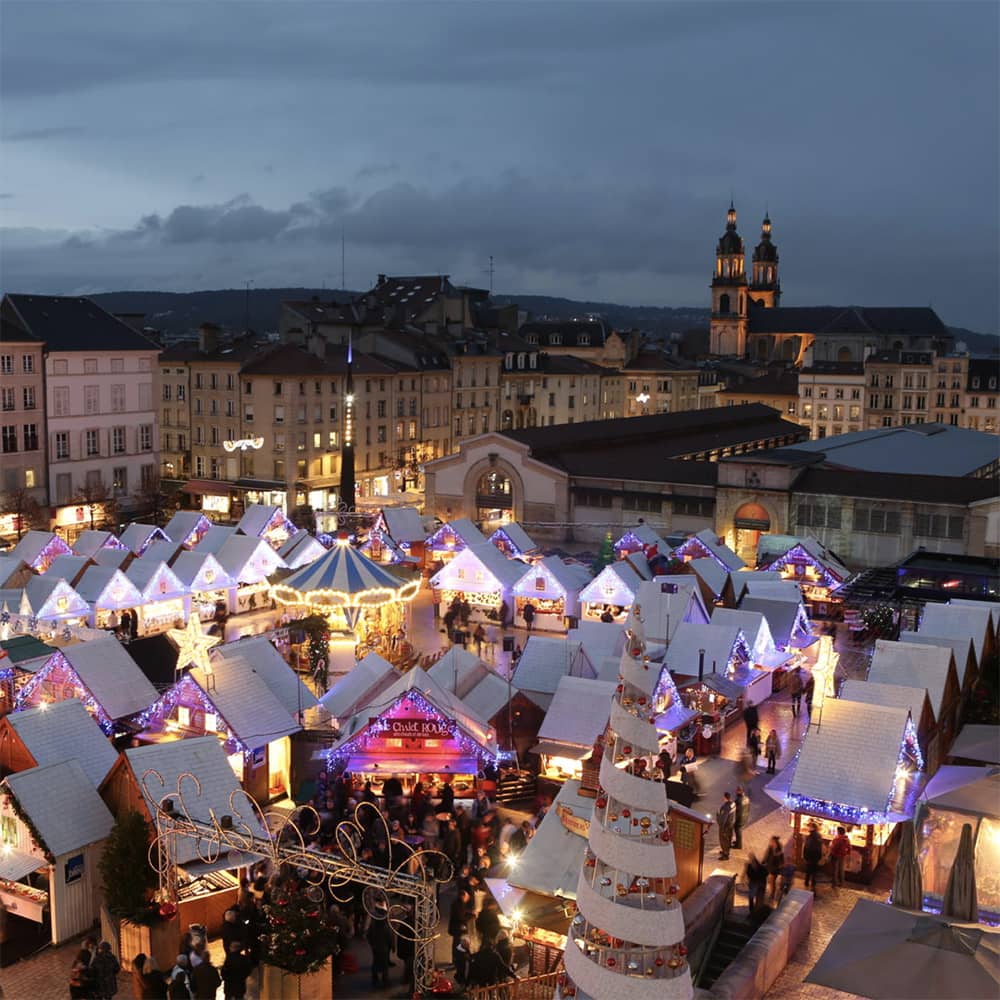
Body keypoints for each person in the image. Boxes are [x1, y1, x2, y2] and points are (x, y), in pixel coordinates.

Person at [368, 905, 393, 988]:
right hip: (384, 948)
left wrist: (372, 944)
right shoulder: (386, 927)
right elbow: (389, 937)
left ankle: (375, 979)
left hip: (376, 947)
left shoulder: (373, 926)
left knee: (375, 962)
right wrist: (392, 946)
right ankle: (385, 980)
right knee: (384, 965)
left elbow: (369, 935)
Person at [803, 822, 824, 894]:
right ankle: (812, 884)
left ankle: (807, 882)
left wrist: (805, 856)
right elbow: (819, 848)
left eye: (810, 826)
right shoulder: (818, 836)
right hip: (815, 856)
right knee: (814, 871)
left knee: (809, 870)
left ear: (813, 828)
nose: (808, 828)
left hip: (811, 856)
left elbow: (807, 847)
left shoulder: (811, 836)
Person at [764, 836, 785, 902]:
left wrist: (780, 866)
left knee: (772, 882)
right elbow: (766, 856)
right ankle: (770, 893)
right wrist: (764, 862)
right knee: (770, 881)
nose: (771, 842)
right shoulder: (770, 848)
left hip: (775, 869)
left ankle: (772, 894)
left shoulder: (779, 850)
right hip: (769, 867)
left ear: (775, 842)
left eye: (772, 841)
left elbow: (782, 860)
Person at [716, 792, 736, 860]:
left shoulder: (726, 807)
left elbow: (723, 818)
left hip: (725, 826)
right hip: (730, 824)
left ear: (725, 797)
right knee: (728, 839)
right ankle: (725, 851)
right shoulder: (733, 804)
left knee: (724, 840)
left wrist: (718, 815)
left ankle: (725, 855)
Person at [733, 785, 749, 850]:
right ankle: (737, 842)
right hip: (745, 817)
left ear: (739, 791)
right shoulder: (747, 798)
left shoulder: (738, 800)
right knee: (738, 831)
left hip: (739, 819)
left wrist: (734, 820)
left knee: (738, 831)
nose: (736, 792)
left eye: (737, 791)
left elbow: (737, 812)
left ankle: (738, 845)